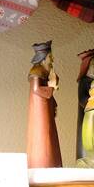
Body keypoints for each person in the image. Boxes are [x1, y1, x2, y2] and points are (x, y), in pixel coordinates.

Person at [26, 40, 62, 168]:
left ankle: (51, 162)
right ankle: (42, 162)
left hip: (45, 107)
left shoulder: (45, 71)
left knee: (49, 135)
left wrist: (54, 103)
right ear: (43, 58)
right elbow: (36, 89)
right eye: (50, 57)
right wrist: (51, 87)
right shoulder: (36, 72)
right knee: (42, 135)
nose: (52, 59)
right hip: (39, 111)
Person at [75, 50, 94, 162]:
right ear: (87, 67)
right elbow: (82, 99)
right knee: (86, 140)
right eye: (93, 65)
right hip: (87, 117)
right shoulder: (84, 82)